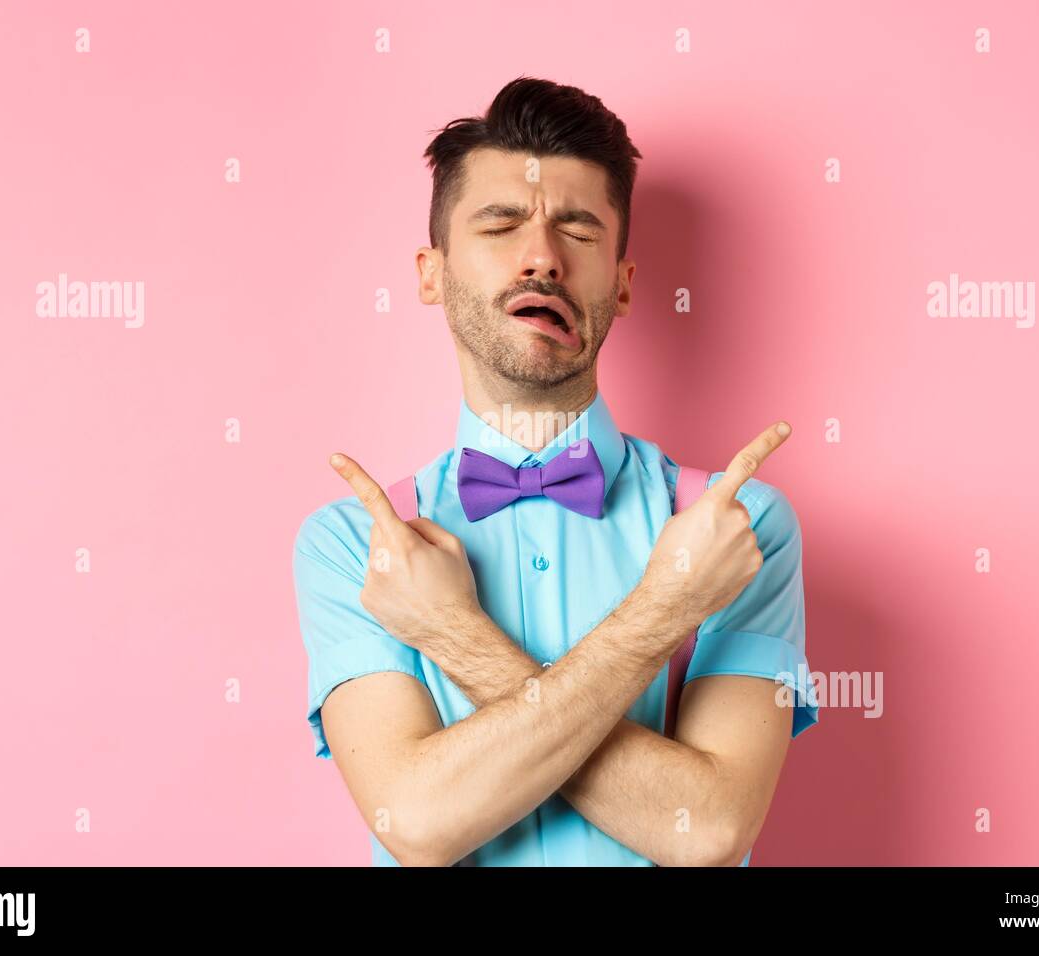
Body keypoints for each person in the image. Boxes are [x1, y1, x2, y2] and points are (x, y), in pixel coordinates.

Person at [293, 76, 818, 867]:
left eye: (577, 230)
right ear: (431, 272)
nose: (541, 257)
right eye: (501, 224)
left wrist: (451, 635)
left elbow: (707, 829)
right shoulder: (353, 547)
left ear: (623, 282)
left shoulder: (738, 529)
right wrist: (664, 613)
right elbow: (419, 820)